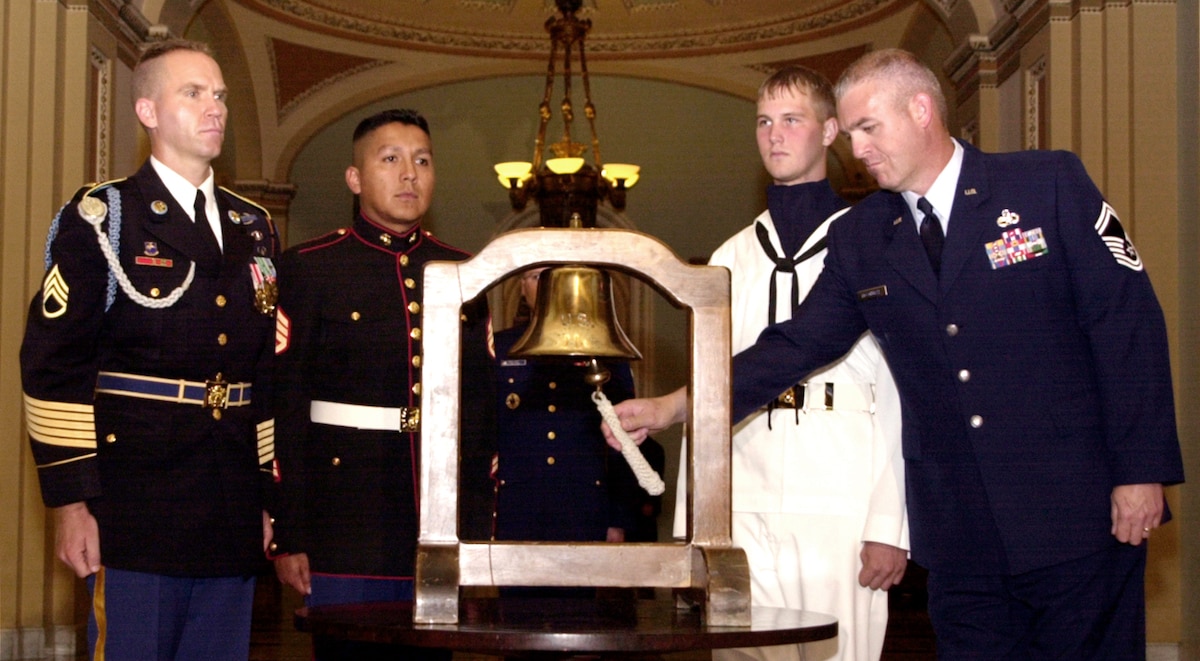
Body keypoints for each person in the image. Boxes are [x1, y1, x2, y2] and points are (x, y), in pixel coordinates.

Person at [605, 48, 1184, 658]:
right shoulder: (863, 235)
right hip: (962, 539)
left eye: (867, 128)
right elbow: (796, 344)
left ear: (921, 110)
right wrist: (678, 406)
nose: (856, 149)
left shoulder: (1045, 186)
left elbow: (1127, 326)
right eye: (850, 133)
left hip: (1075, 513)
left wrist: (1139, 469)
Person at [20, 39, 279, 660]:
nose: (214, 107)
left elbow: (266, 368)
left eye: (218, 95)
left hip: (230, 501)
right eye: (193, 93)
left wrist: (271, 496)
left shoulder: (254, 225)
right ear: (147, 111)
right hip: (133, 503)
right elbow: (54, 365)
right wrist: (70, 502)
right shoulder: (103, 217)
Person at [681, 65, 907, 661]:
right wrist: (691, 526)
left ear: (831, 130)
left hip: (839, 500)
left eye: (791, 120)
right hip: (742, 502)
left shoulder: (872, 239)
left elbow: (903, 390)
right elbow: (713, 388)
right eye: (763, 121)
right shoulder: (729, 257)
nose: (774, 135)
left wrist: (889, 525)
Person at [269, 108, 493, 660]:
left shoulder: (465, 272)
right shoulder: (309, 268)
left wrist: (479, 530)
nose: (409, 174)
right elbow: (286, 408)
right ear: (355, 179)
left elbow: (481, 415)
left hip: (435, 526)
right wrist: (289, 533)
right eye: (390, 159)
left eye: (421, 160)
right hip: (343, 522)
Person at [492, 267, 637, 547]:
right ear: (522, 287)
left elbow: (625, 439)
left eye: (554, 277)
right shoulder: (500, 347)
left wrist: (618, 517)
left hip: (582, 508)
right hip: (515, 509)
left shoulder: (603, 349)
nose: (548, 287)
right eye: (537, 278)